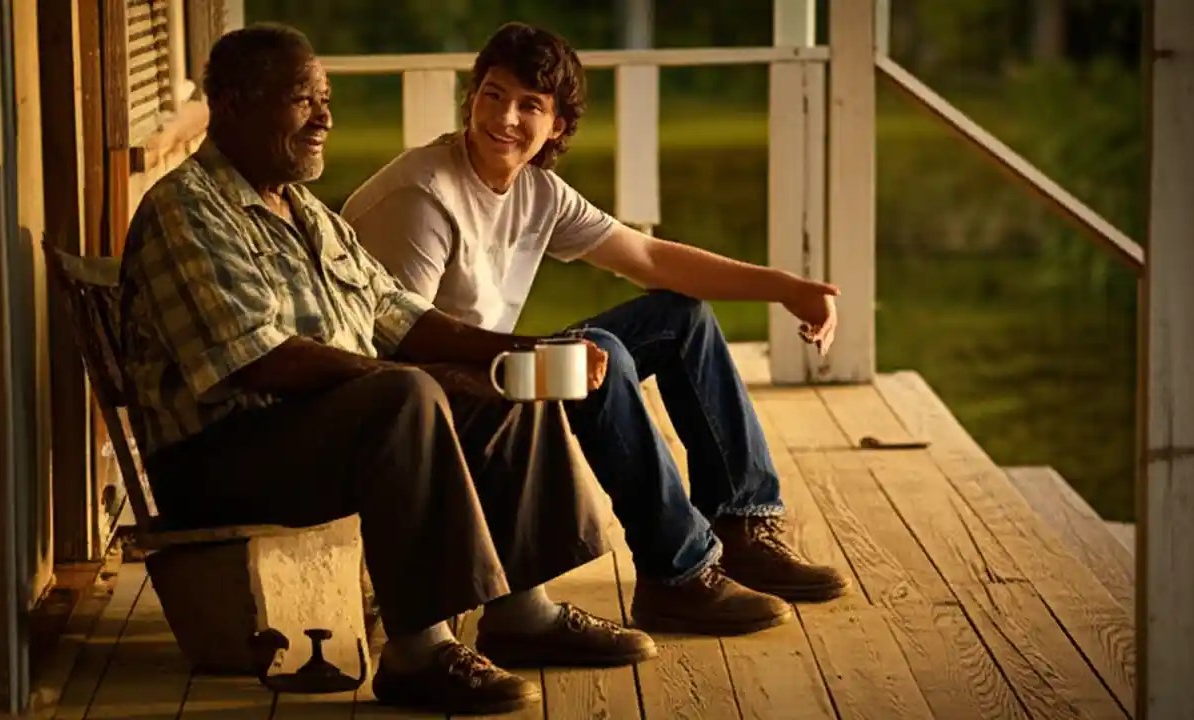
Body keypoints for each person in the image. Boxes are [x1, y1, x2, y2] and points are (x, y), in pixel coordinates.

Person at [116, 24, 656, 716]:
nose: (325, 118)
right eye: (301, 99)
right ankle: (419, 651)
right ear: (231, 105)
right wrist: (415, 380)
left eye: (325, 98)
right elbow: (260, 361)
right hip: (219, 458)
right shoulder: (187, 209)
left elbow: (402, 315)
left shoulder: (304, 210)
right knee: (406, 392)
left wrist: (520, 354)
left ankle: (523, 612)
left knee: (510, 389)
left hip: (302, 433)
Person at [343, 21, 850, 636]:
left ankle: (741, 526)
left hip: (493, 366)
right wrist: (543, 355)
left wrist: (787, 289)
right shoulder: (424, 195)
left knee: (677, 316)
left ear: (556, 126)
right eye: (492, 94)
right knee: (599, 350)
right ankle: (677, 575)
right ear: (472, 97)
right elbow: (398, 342)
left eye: (529, 105)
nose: (504, 117)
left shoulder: (537, 192)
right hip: (429, 401)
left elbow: (652, 259)